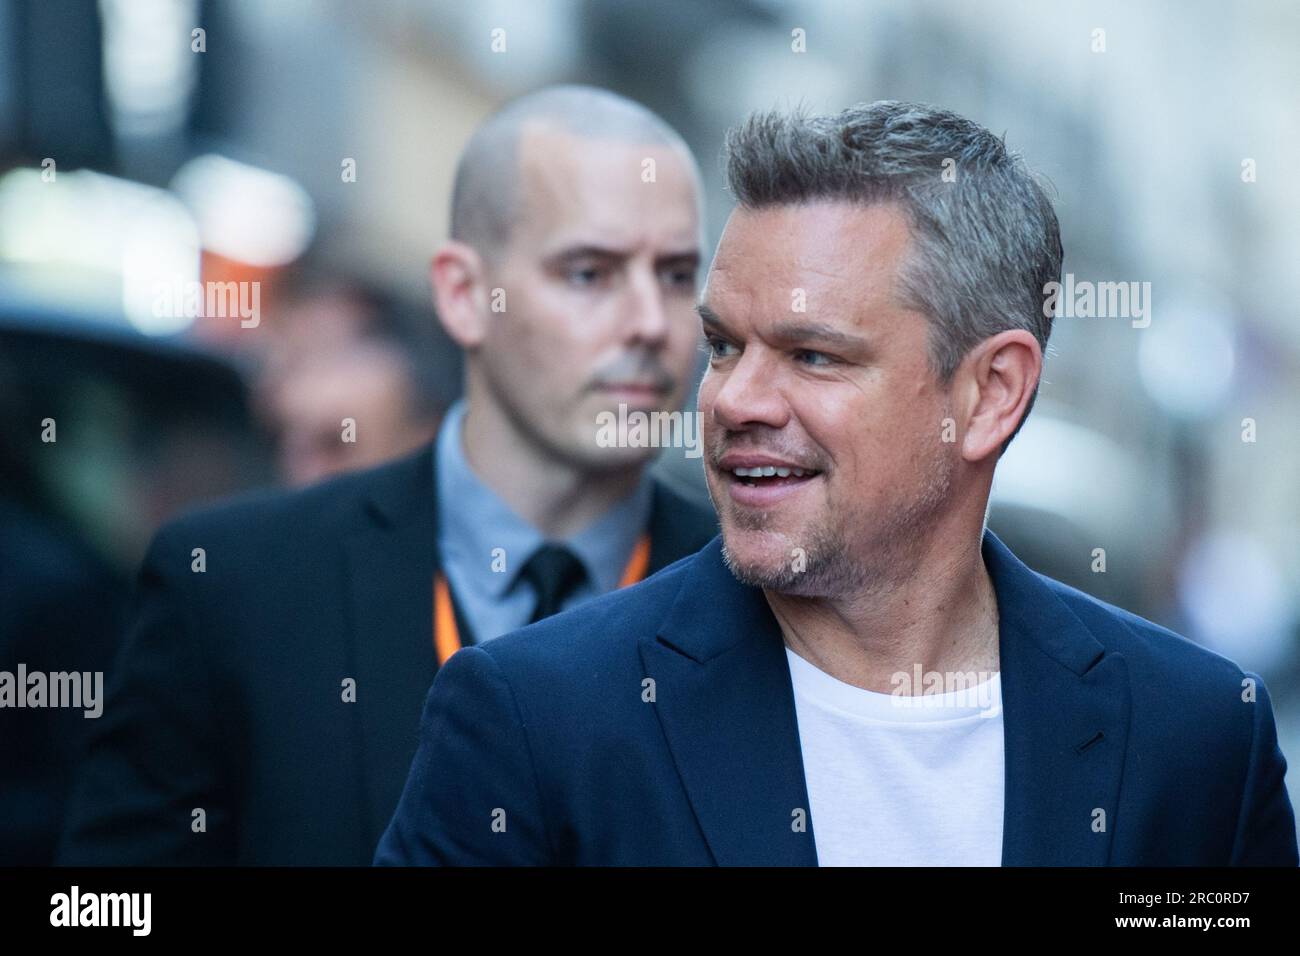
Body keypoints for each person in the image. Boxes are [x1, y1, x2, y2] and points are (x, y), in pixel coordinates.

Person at [376, 101, 1298, 866]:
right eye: (725, 345)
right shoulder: (539, 722)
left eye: (813, 355)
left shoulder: (1197, 740)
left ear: (991, 394)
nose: (735, 399)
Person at [58, 85, 716, 865]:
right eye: (589, 272)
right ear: (466, 296)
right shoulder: (233, 588)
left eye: (676, 276)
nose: (648, 320)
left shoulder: (756, 599)